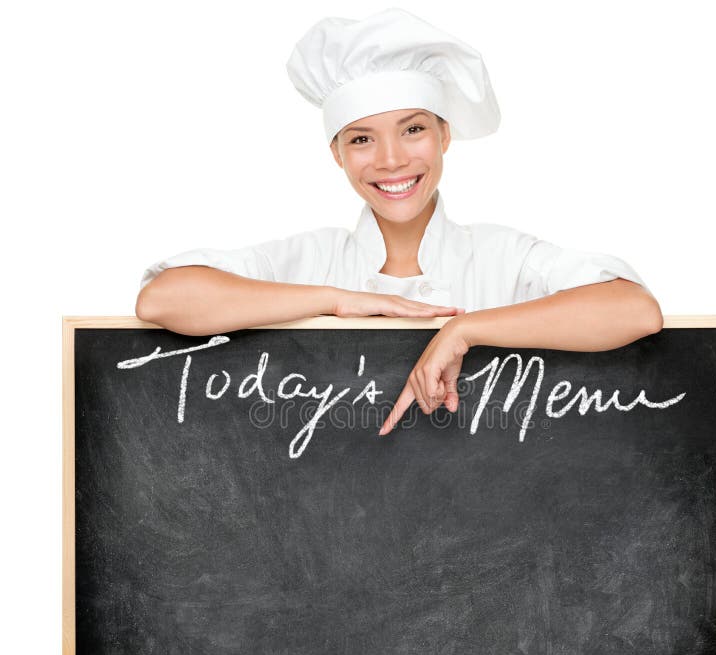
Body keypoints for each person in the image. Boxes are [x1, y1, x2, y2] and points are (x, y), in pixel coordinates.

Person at [136, 9, 663, 436]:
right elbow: (163, 299)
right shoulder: (311, 259)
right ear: (337, 154)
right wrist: (335, 301)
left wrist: (464, 330)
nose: (390, 160)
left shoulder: (502, 257)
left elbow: (634, 310)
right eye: (362, 139)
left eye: (412, 129)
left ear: (444, 136)